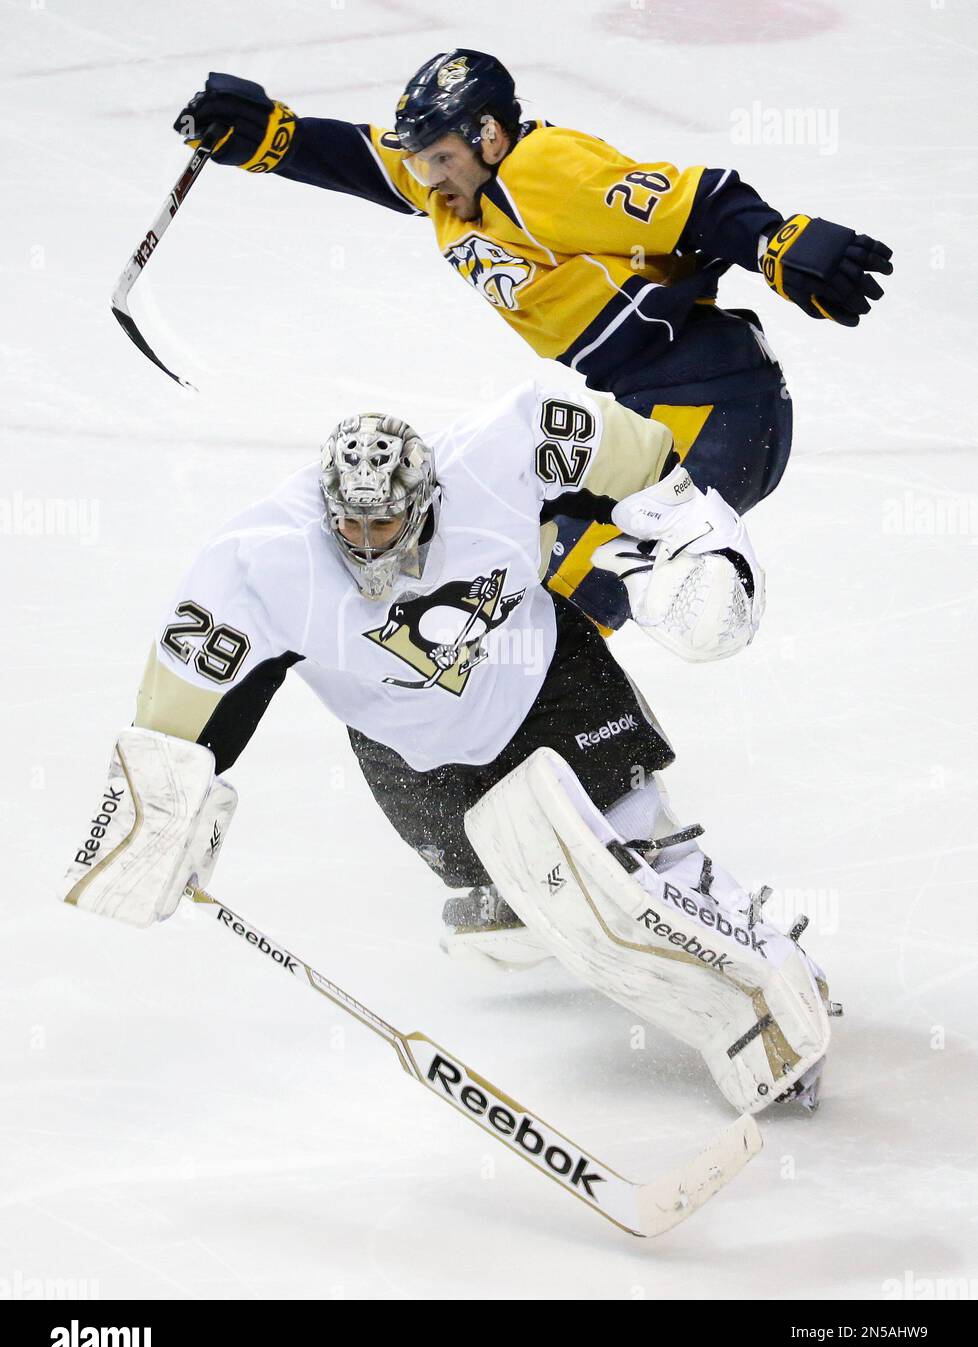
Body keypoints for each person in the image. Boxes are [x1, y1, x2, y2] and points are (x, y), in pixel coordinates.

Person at [61, 379, 835, 1114]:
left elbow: (632, 455)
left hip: (549, 690)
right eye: (351, 526)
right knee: (528, 905)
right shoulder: (262, 562)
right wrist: (156, 816)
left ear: (426, 502)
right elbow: (181, 704)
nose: (367, 545)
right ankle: (534, 904)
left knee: (640, 859)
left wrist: (690, 537)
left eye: (385, 525)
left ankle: (766, 964)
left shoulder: (499, 458)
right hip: (413, 762)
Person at [172, 47, 892, 536]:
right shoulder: (448, 186)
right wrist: (262, 133)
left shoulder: (542, 170)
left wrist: (776, 243)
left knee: (586, 578)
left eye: (442, 159)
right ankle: (580, 755)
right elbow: (360, 158)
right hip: (653, 405)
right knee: (529, 575)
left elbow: (697, 200)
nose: (430, 180)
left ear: (490, 136)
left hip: (714, 411)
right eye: (421, 163)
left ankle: (602, 753)